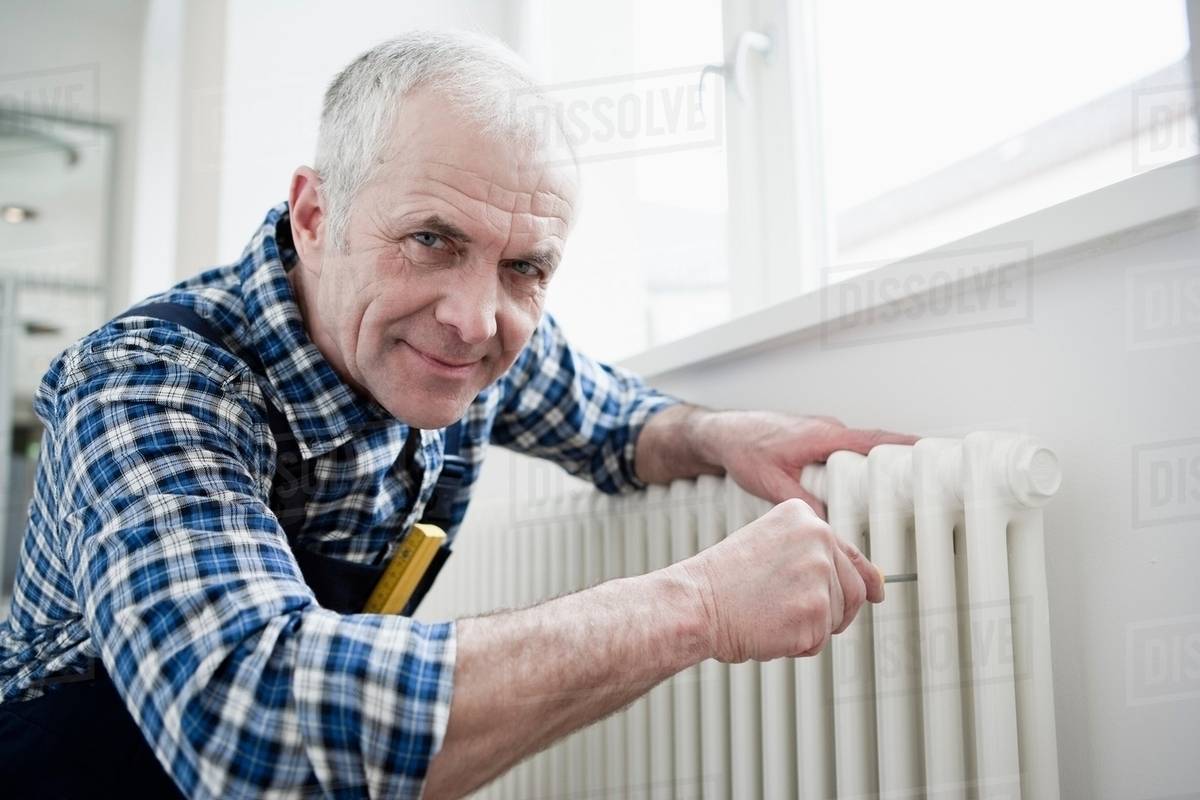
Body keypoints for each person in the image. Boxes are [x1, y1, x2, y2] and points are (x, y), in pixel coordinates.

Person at [0, 30, 914, 799]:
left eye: (525, 268)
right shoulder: (147, 385)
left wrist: (719, 432)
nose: (477, 319)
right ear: (315, 215)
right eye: (430, 240)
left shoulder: (463, 344)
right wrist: (698, 605)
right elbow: (255, 731)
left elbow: (614, 423)